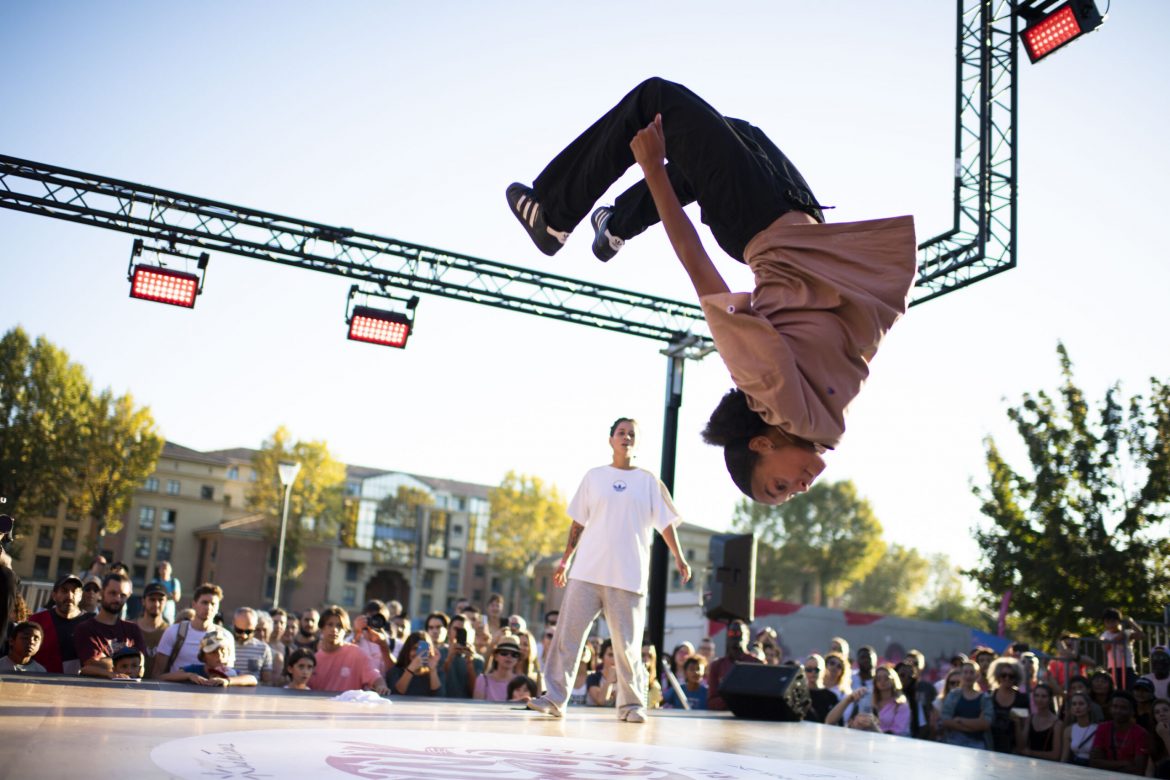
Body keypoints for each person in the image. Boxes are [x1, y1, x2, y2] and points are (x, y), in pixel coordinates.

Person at [507, 78, 916, 503]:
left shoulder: (774, 396)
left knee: (656, 101)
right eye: (790, 493)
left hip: (757, 218)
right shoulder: (828, 424)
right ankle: (616, 225)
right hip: (800, 216)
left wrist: (651, 169)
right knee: (730, 136)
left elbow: (698, 268)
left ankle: (553, 214)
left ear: (761, 445)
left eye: (778, 485)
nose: (799, 487)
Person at [526, 417, 690, 723]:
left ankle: (631, 705)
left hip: (627, 576)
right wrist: (565, 560)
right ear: (611, 439)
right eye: (621, 433)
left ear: (637, 443)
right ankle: (555, 698)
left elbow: (666, 524)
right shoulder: (594, 477)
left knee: (627, 647)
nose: (626, 437)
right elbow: (578, 522)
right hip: (586, 572)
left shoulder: (649, 481)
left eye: (631, 434)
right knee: (568, 638)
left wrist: (679, 557)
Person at [73, 572, 148, 678]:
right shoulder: (85, 629)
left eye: (123, 595)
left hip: (130, 692)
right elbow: (91, 664)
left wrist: (105, 662)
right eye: (113, 593)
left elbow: (141, 666)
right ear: (102, 593)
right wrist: (129, 662)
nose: (117, 599)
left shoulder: (133, 629)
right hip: (94, 691)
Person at [153, 583, 234, 678]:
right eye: (204, 602)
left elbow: (229, 672)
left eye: (213, 604)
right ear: (194, 604)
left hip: (212, 690)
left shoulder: (226, 636)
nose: (208, 607)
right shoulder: (174, 631)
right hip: (176, 689)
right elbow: (158, 673)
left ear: (218, 608)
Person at [311, 605, 388, 695]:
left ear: (346, 631)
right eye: (330, 624)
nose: (335, 629)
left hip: (350, 708)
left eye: (339, 626)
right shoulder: (314, 660)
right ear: (322, 629)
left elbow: (375, 677)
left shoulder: (358, 654)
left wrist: (381, 687)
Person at [28, 574, 91, 674]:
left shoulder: (90, 623)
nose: (70, 596)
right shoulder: (37, 621)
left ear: (80, 596)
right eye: (64, 591)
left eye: (74, 591)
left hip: (78, 686)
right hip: (40, 683)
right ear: (54, 595)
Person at [162, 629, 256, 688]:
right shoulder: (195, 669)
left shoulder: (229, 673)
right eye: (213, 652)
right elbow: (164, 677)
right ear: (203, 656)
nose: (219, 655)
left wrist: (228, 681)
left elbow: (252, 679)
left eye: (223, 650)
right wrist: (189, 675)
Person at [707, 620, 763, 711]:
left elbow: (763, 697)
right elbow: (712, 701)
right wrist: (733, 700)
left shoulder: (757, 664)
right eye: (731, 633)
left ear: (747, 637)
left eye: (738, 633)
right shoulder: (717, 665)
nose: (735, 636)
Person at [1090, 690, 1150, 775]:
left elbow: (1138, 769)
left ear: (1132, 711)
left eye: (1123, 708)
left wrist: (1106, 764)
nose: (1118, 711)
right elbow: (1094, 762)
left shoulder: (1141, 733)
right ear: (1110, 708)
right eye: (1115, 706)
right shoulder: (1102, 728)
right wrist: (1124, 763)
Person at [939, 660, 993, 749]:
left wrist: (960, 720)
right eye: (965, 672)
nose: (968, 676)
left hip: (978, 744)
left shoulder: (985, 698)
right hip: (954, 742)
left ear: (977, 675)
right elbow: (946, 719)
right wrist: (973, 726)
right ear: (961, 675)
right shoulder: (953, 695)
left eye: (972, 672)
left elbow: (985, 724)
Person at [988, 658, 1030, 753]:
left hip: (1012, 750)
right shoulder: (988, 696)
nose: (1007, 678)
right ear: (998, 676)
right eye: (1003, 675)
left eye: (1011, 676)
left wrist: (1017, 723)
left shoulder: (1022, 699)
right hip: (989, 747)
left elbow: (1024, 728)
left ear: (1016, 678)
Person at [1017, 682, 1063, 761]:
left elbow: (1056, 755)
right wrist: (1017, 723)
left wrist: (1031, 753)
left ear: (1050, 699)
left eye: (1044, 696)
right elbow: (1022, 746)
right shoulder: (1030, 718)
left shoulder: (1057, 724)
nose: (1039, 699)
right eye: (1036, 696)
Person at [388, 630, 441, 697]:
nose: (417, 654)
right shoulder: (395, 671)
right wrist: (411, 669)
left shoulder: (437, 673)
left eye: (423, 650)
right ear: (407, 650)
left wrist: (433, 671)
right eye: (414, 648)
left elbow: (439, 696)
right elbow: (396, 694)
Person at [230, 607, 274, 685]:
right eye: (239, 631)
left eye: (248, 631)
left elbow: (267, 681)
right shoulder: (225, 644)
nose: (244, 636)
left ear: (255, 626)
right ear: (233, 623)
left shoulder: (263, 648)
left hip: (252, 694)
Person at [475, 634, 523, 702]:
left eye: (514, 654)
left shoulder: (522, 683)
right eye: (504, 653)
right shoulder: (482, 680)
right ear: (496, 656)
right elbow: (477, 707)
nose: (509, 656)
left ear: (518, 659)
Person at [135, 582, 170, 671]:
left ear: (166, 602)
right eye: (152, 599)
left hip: (160, 684)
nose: (156, 604)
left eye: (160, 600)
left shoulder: (170, 631)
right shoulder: (131, 628)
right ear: (143, 601)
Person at [1060, 691, 1099, 766]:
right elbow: (1064, 757)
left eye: (1081, 704)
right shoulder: (1069, 730)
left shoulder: (1097, 728)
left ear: (1089, 707)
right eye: (1074, 704)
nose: (1077, 707)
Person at [803, 654, 838, 723]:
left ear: (823, 671)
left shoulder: (831, 697)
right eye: (809, 669)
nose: (813, 673)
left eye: (816, 669)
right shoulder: (799, 694)